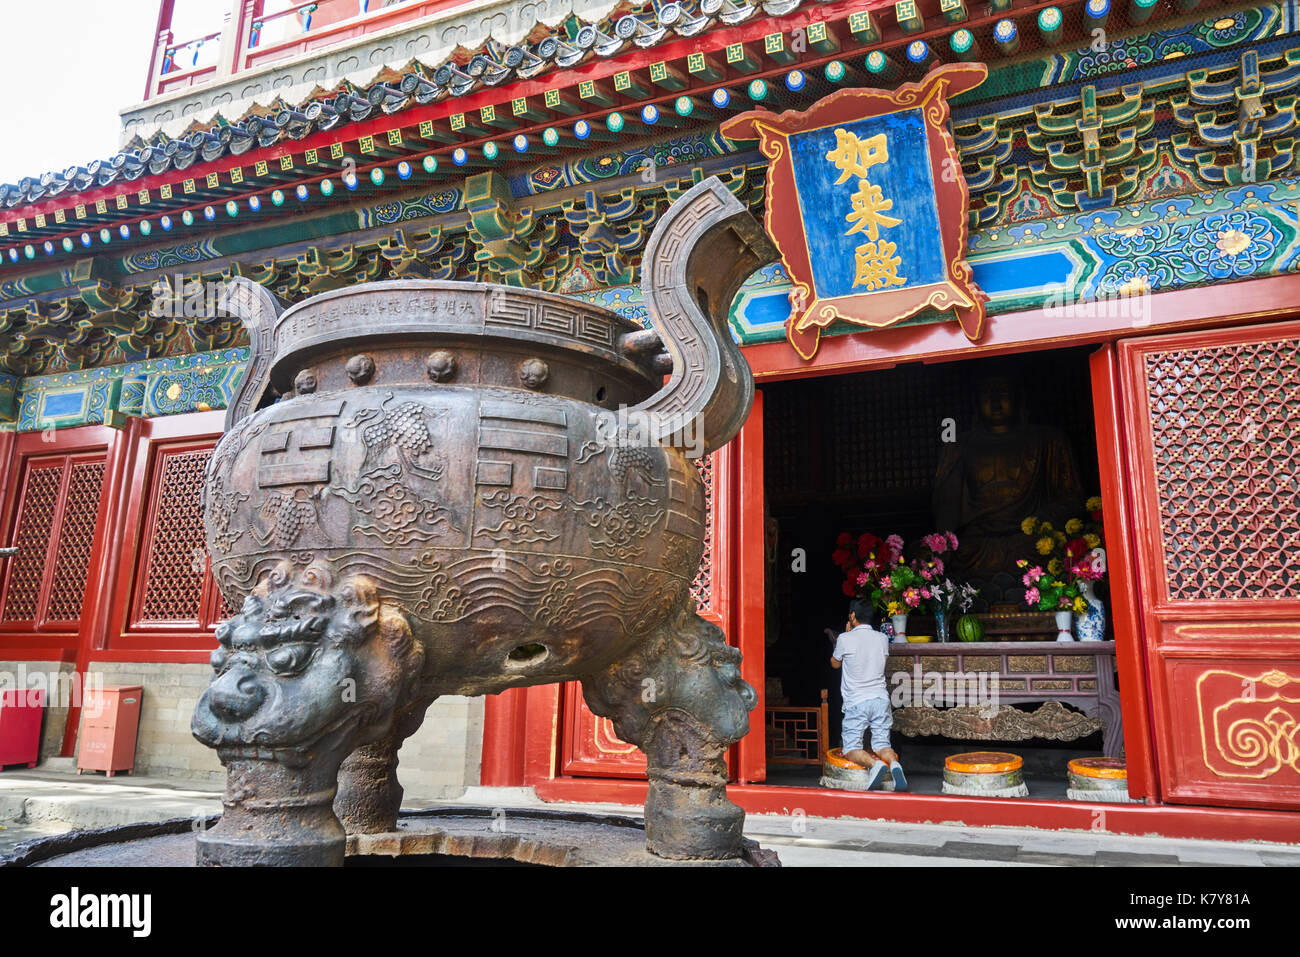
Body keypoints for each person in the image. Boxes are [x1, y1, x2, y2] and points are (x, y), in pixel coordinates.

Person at [830, 598, 907, 791]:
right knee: (881, 744)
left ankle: (875, 766)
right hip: (881, 699)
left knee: (851, 749)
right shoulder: (882, 638)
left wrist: (845, 636)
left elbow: (835, 663)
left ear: (853, 616)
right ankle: (894, 764)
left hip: (857, 702)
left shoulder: (844, 639)